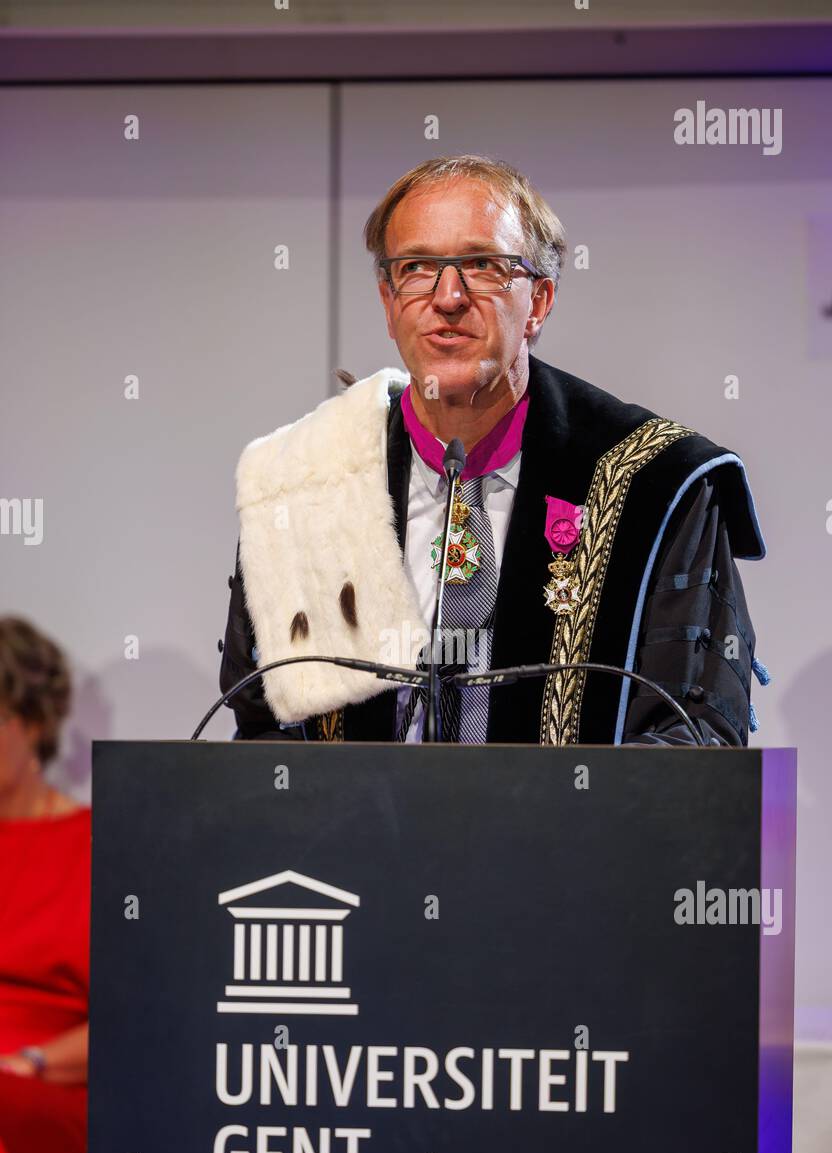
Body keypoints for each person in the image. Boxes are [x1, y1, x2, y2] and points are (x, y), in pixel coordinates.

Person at [220, 154, 767, 746]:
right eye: (417, 267)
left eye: (482, 265)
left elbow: (696, 733)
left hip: (571, 835)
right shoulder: (310, 478)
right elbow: (262, 728)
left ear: (538, 301)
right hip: (352, 835)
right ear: (388, 299)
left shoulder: (657, 482)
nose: (447, 296)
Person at [0, 616, 89, 1153]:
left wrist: (29, 1061)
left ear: (32, 721)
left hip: (48, 1084)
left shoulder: (96, 844)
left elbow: (134, 1019)